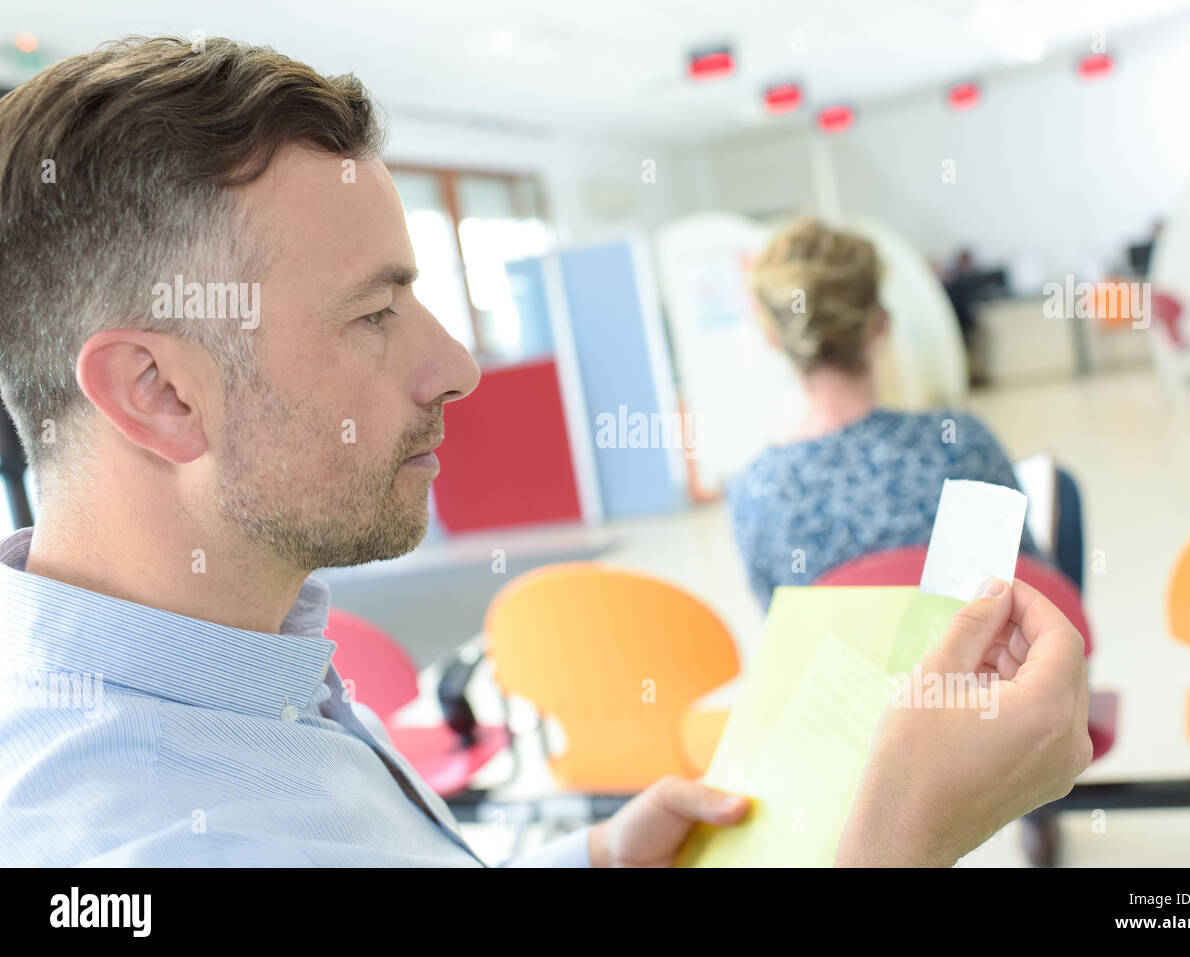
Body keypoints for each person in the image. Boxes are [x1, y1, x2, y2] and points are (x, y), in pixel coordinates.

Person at [0, 37, 1090, 867]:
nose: (457, 364)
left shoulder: (232, 659)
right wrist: (894, 839)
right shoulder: (135, 845)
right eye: (373, 314)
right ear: (159, 393)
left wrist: (595, 861)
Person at [730, 219, 1033, 611]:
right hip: (972, 671)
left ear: (773, 338)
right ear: (880, 323)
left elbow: (781, 634)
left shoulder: (757, 490)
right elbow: (1030, 596)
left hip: (837, 673)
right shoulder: (959, 444)